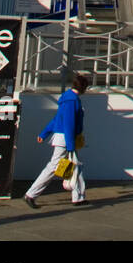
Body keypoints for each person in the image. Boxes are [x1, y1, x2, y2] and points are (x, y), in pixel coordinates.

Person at [25, 72, 90, 208]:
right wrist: (71, 144)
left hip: (64, 137)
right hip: (66, 139)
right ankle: (31, 194)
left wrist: (44, 133)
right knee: (54, 167)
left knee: (76, 165)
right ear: (83, 88)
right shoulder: (72, 100)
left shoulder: (67, 98)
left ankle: (78, 197)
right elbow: (68, 123)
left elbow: (57, 119)